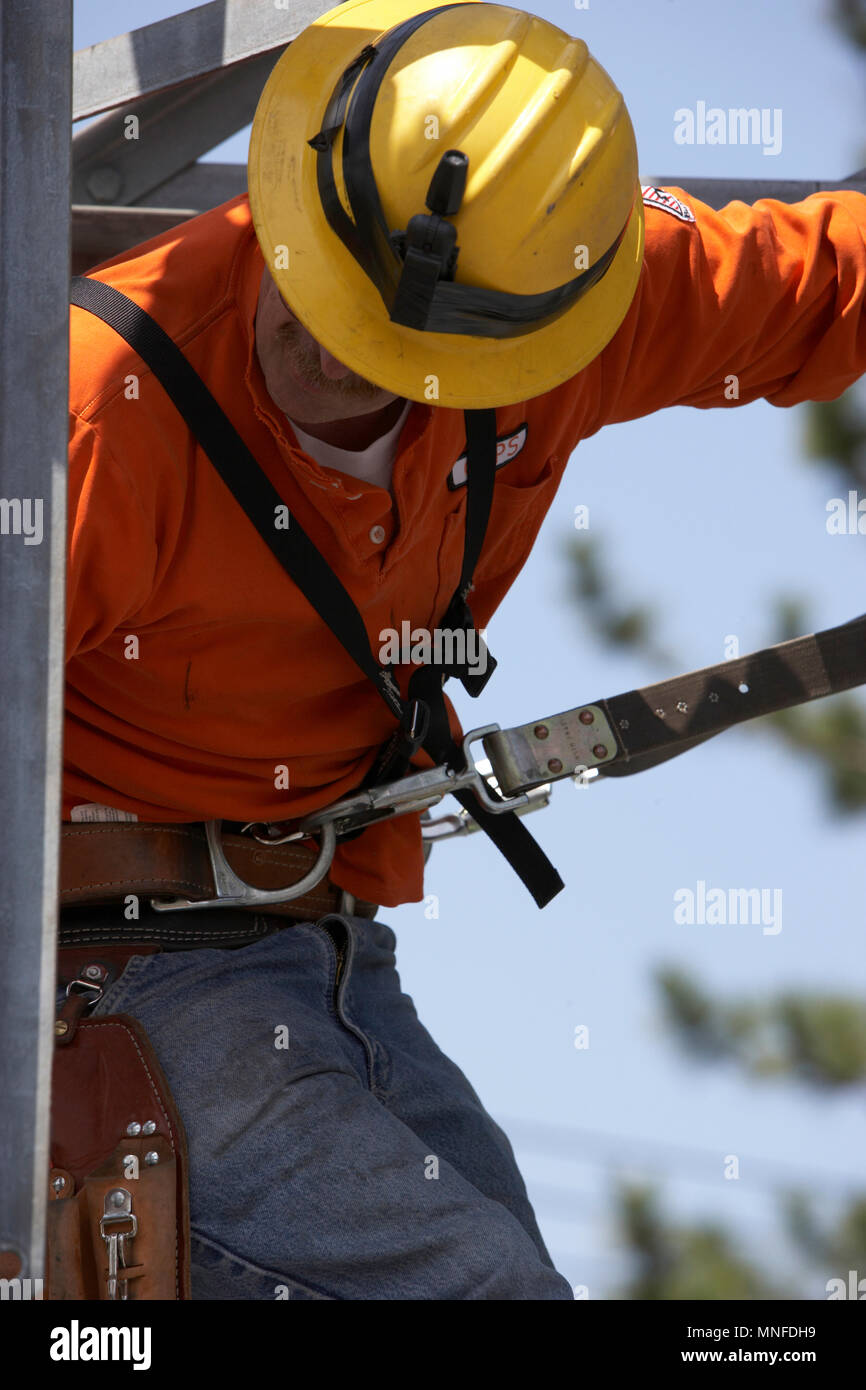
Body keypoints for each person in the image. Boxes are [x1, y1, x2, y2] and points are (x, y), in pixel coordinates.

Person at [64, 0, 866, 1299]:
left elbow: (826, 279)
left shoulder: (562, 311)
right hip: (114, 969)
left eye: (383, 345)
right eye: (315, 276)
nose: (316, 341)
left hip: (324, 947)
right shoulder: (100, 411)